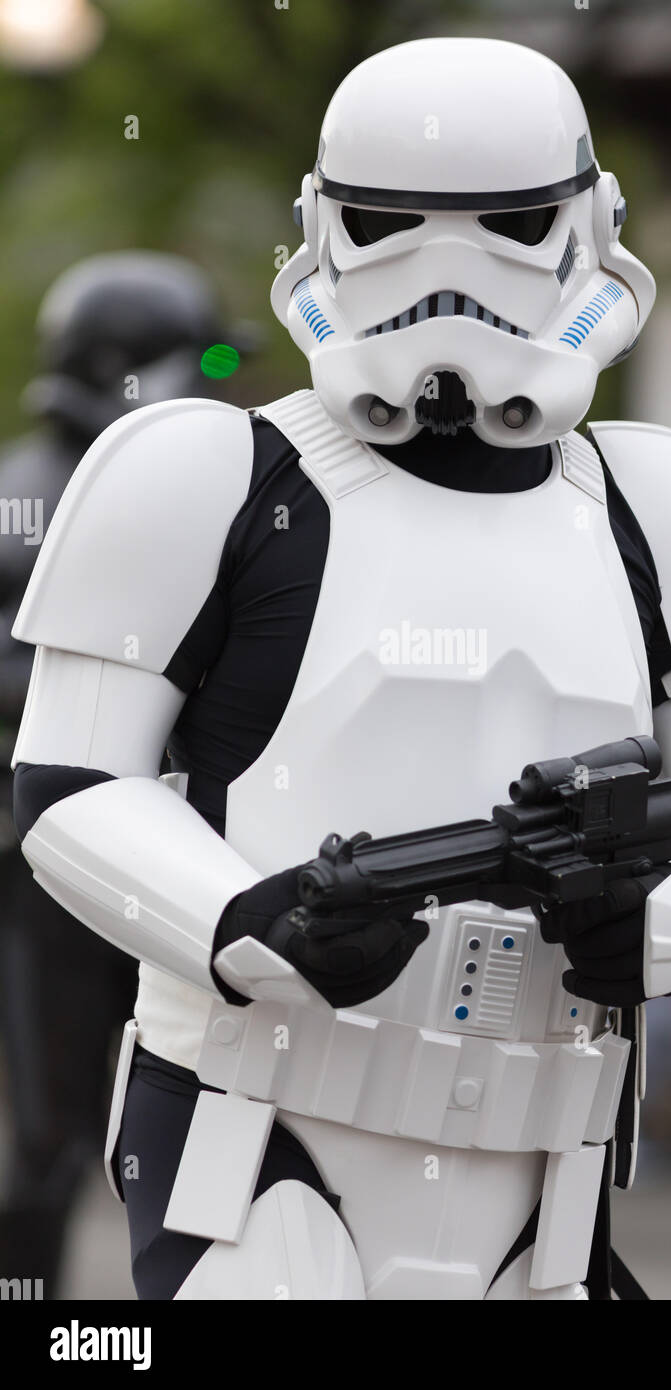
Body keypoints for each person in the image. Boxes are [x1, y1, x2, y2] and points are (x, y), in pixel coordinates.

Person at [10, 39, 671, 1300]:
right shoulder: (203, 475)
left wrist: (665, 925)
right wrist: (249, 921)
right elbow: (66, 789)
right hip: (258, 1135)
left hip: (547, 1170)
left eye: (505, 226)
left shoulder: (661, 505)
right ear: (322, 227)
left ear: (588, 228)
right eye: (391, 225)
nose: (450, 279)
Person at [0, 251, 243, 1296]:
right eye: (210, 359)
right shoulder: (38, 500)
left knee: (171, 1118)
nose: (225, 383)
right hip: (53, 870)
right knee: (59, 1130)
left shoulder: (180, 493)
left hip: (159, 860)